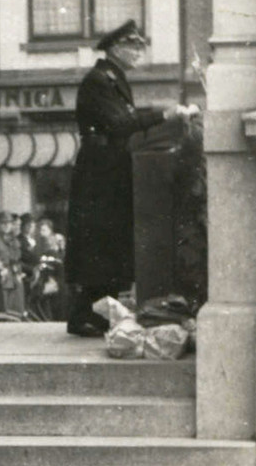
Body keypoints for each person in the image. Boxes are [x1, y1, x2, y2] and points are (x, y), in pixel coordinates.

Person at [66, 18, 191, 336]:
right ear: (116, 48)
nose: (139, 53)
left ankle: (94, 314)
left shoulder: (112, 78)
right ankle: (83, 316)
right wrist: (164, 114)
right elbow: (121, 123)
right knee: (99, 244)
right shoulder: (100, 80)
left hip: (109, 171)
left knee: (106, 244)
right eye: (134, 47)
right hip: (100, 173)